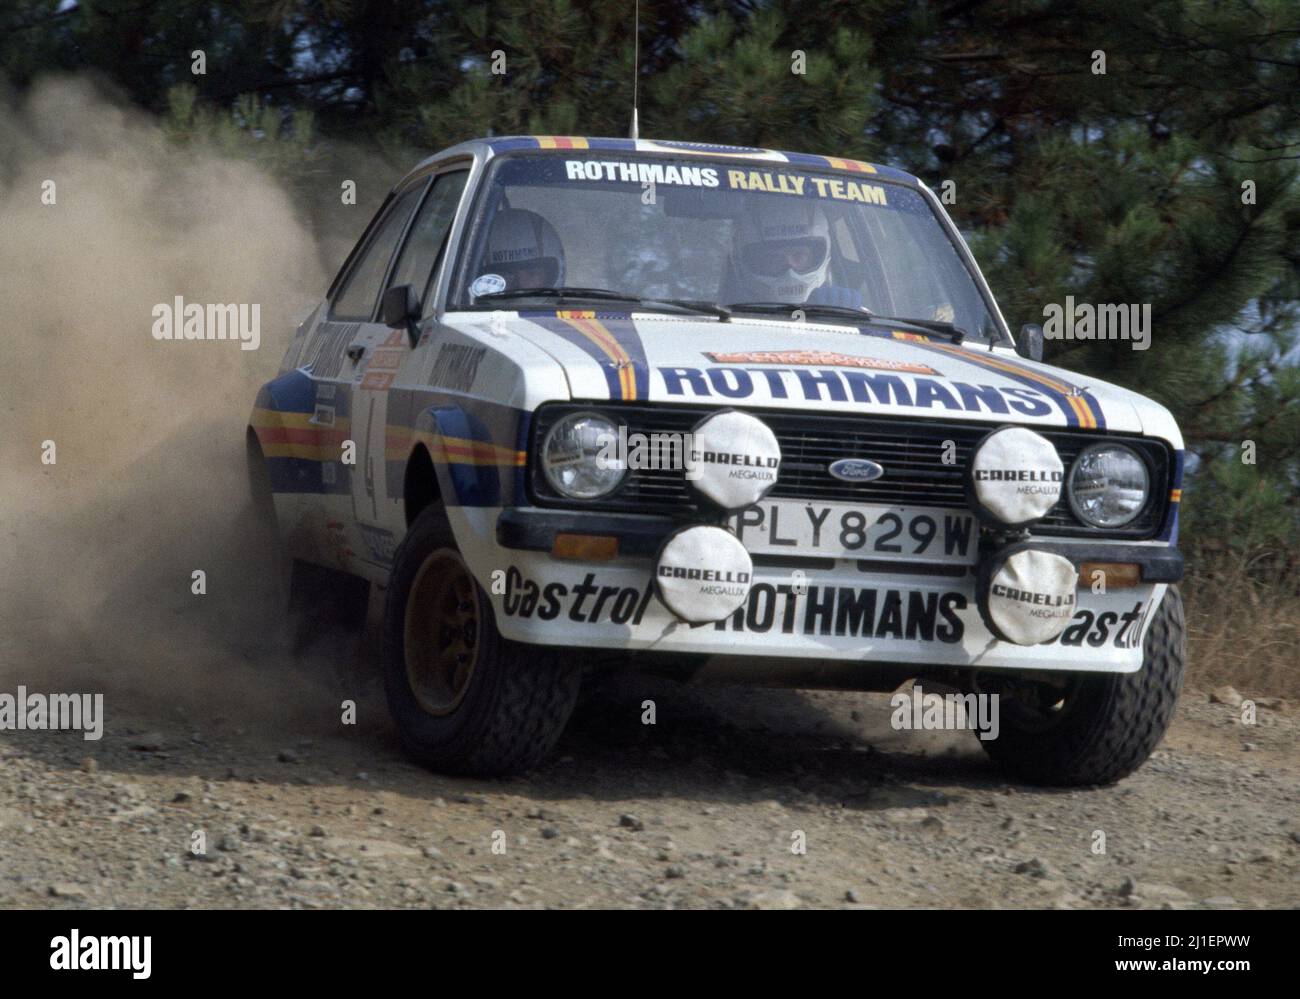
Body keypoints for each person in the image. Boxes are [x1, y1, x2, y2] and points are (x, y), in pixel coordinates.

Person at [724, 200, 863, 308]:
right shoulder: (717, 319)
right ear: (747, 261)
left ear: (819, 256)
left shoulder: (842, 309)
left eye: (799, 256)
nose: (789, 270)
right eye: (773, 258)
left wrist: (846, 315)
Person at [479, 208, 566, 291]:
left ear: (551, 274)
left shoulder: (574, 306)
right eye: (504, 275)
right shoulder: (470, 302)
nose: (520, 286)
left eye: (532, 274)